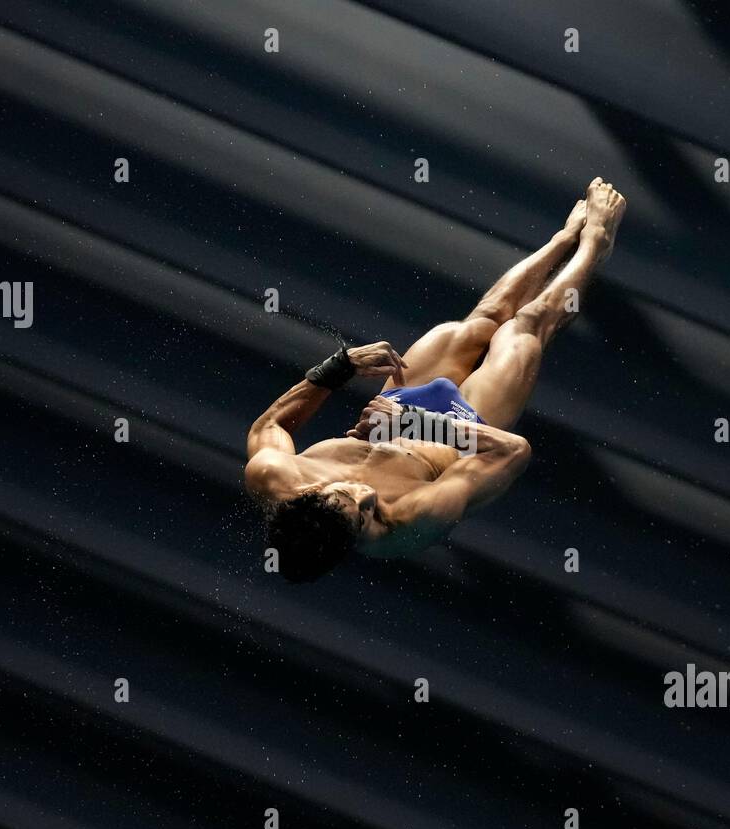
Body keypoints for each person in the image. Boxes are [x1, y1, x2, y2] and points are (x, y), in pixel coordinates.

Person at [245, 177, 626, 581]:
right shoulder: (413, 522)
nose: (367, 496)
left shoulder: (273, 477)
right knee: (525, 328)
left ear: (304, 497)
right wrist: (414, 424)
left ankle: (563, 238)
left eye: (346, 496)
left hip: (395, 408)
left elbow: (271, 426)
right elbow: (514, 452)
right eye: (365, 516)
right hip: (463, 435)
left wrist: (337, 368)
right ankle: (595, 243)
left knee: (482, 321)